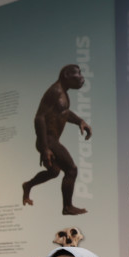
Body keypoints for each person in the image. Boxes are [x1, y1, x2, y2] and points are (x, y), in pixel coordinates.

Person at [22, 64, 92, 215]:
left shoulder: (63, 92)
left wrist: (80, 121)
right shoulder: (55, 91)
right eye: (78, 74)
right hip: (48, 140)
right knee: (71, 170)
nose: (81, 78)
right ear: (67, 75)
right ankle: (67, 207)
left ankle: (27, 185)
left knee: (54, 172)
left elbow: (64, 112)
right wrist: (45, 148)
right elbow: (39, 118)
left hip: (51, 140)